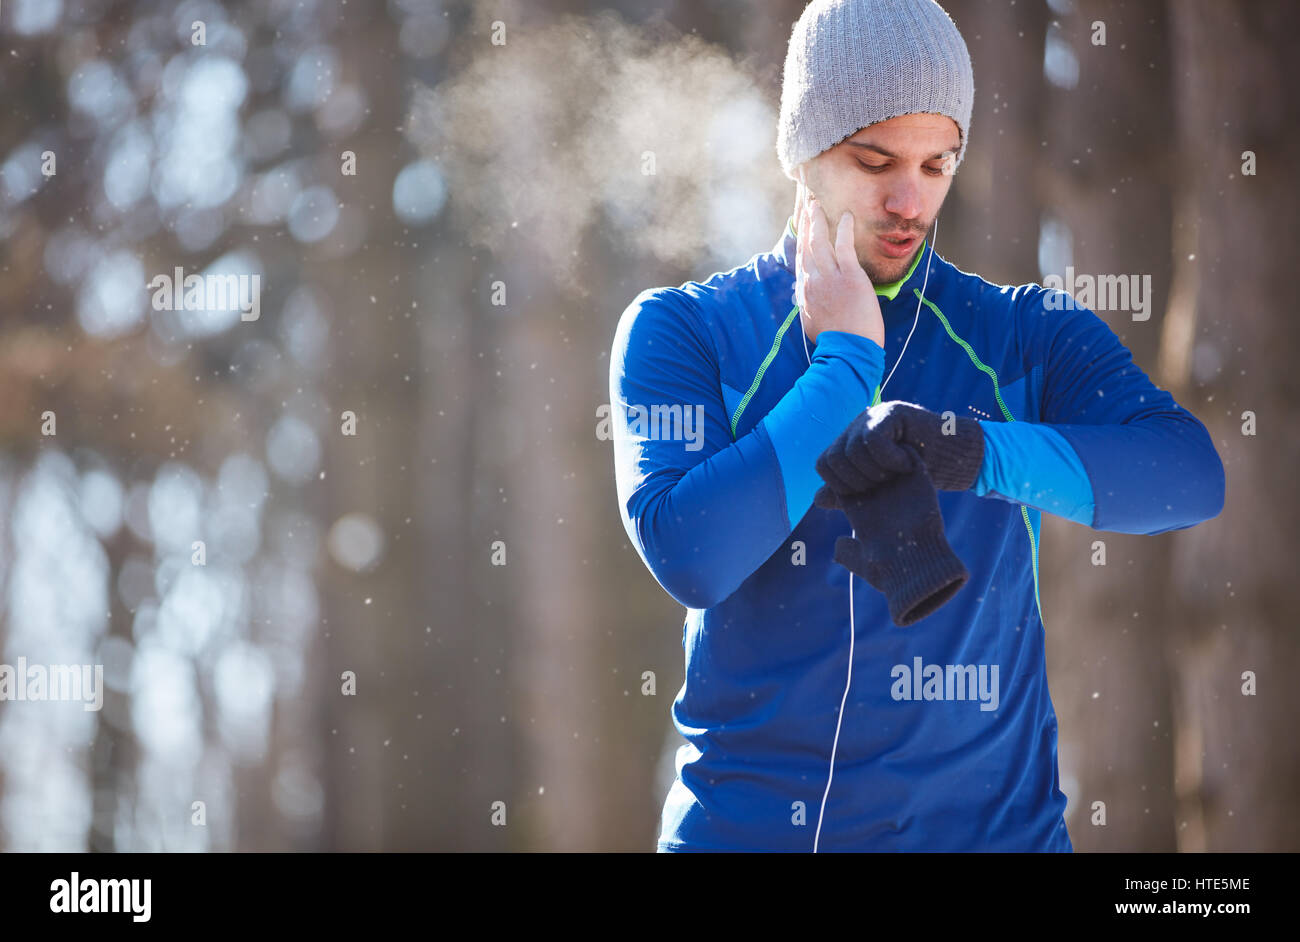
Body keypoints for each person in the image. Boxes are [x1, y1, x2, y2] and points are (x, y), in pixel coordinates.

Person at [607, 0, 1224, 852]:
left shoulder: (1018, 334)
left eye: (939, 164)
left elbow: (1189, 475)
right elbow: (692, 553)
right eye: (875, 160)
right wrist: (845, 369)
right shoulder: (687, 330)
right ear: (802, 151)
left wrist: (976, 451)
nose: (910, 199)